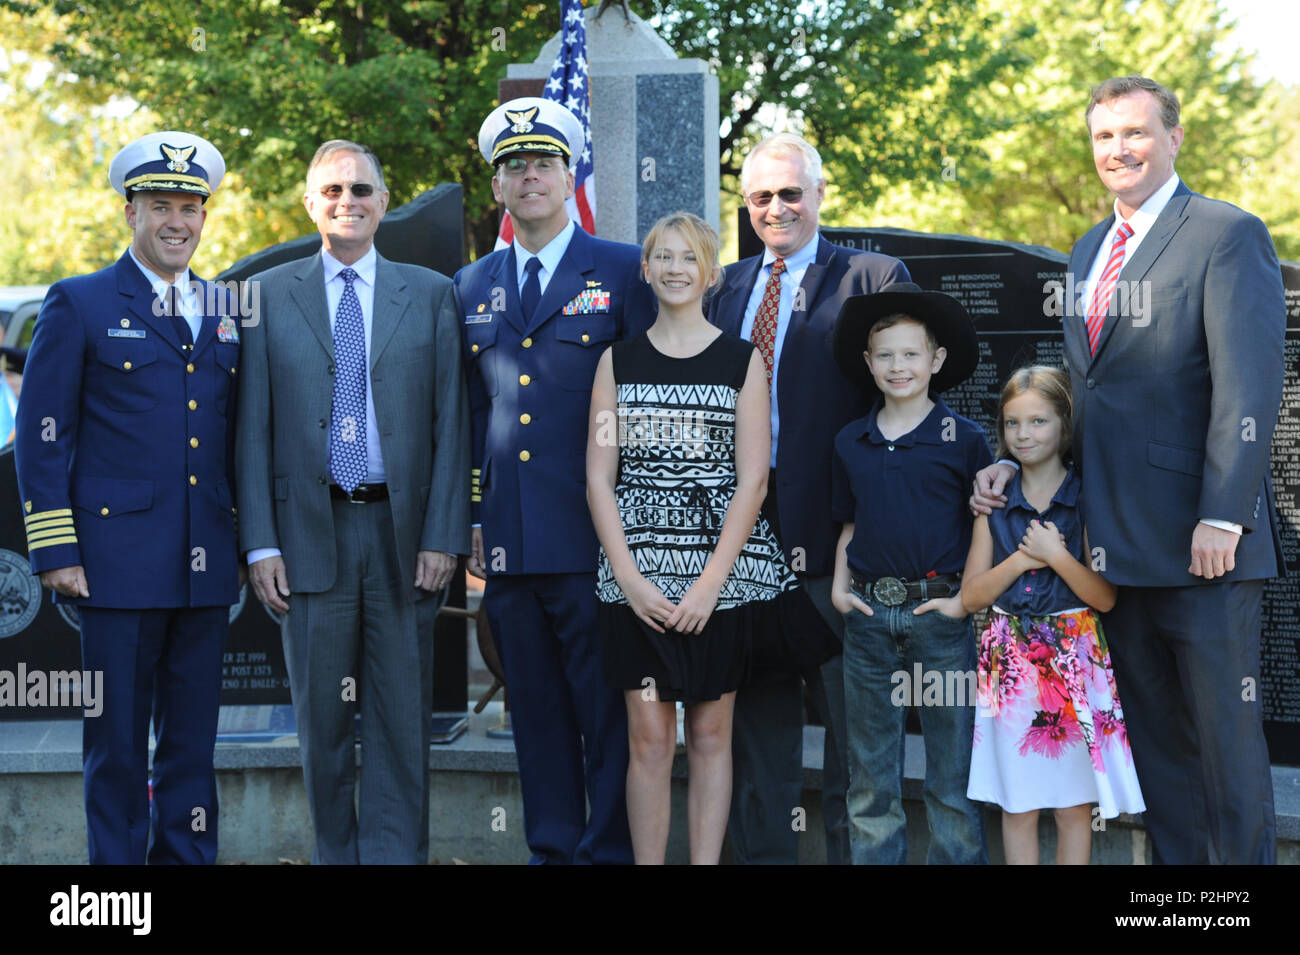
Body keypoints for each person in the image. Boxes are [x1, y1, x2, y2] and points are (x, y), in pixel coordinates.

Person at [972, 76, 1285, 864]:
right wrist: (1013, 462)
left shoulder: (1225, 233)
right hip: (1111, 549)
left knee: (1225, 747)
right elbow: (1090, 393)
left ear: (1174, 137)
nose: (1120, 150)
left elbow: (1248, 383)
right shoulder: (1088, 249)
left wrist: (1225, 513)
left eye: (1136, 133)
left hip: (1199, 545)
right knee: (1155, 747)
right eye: (1105, 137)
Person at [236, 139, 470, 864]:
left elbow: (452, 425)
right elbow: (250, 429)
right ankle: (337, 855)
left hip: (403, 540)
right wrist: (261, 542)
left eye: (361, 189)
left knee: (402, 719)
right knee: (324, 725)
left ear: (384, 201)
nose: (348, 201)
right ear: (310, 204)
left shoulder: (430, 294)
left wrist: (444, 535)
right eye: (333, 190)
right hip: (308, 537)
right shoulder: (269, 297)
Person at [15, 131, 237, 864]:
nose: (177, 221)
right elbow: (44, 436)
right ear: (130, 211)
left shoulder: (228, 306)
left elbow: (239, 431)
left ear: (204, 217)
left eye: (190, 207)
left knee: (193, 744)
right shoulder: (78, 301)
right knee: (114, 743)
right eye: (160, 205)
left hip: (204, 567)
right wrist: (55, 548)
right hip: (112, 567)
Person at [587, 212, 829, 864]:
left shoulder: (739, 360)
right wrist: (631, 579)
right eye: (662, 257)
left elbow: (752, 481)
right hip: (636, 579)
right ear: (646, 268)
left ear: (709, 272)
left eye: (688, 258)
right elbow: (598, 478)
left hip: (718, 582)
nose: (674, 268)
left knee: (712, 731)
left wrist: (710, 584)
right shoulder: (619, 361)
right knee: (648, 737)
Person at [454, 97, 654, 864]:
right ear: (497, 187)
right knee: (534, 717)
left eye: (543, 162)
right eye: (513, 165)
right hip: (507, 541)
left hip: (595, 541)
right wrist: (471, 514)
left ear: (570, 176)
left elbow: (640, 399)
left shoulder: (622, 269)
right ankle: (552, 851)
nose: (529, 175)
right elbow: (474, 413)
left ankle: (605, 854)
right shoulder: (470, 285)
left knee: (604, 715)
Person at [707, 132, 911, 864]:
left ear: (820, 195)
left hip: (837, 552)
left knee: (857, 747)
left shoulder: (872, 277)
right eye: (761, 196)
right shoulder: (722, 289)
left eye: (791, 192)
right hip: (743, 554)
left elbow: (902, 410)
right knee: (760, 740)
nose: (777, 207)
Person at [828, 283, 989, 865]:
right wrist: (839, 590)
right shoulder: (852, 440)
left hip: (940, 618)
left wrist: (964, 603)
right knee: (871, 779)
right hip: (869, 620)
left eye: (911, 354)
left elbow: (983, 529)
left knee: (952, 777)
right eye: (886, 356)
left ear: (936, 361)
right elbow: (848, 523)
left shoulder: (965, 440)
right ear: (869, 364)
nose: (899, 366)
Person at [961, 365, 1145, 864]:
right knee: (1017, 806)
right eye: (1012, 423)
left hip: (1074, 659)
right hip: (1011, 664)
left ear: (1065, 424)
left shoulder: (1087, 498)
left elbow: (1104, 597)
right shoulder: (993, 502)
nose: (1023, 435)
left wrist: (1057, 555)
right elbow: (972, 597)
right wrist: (1023, 558)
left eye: (1038, 421)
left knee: (1072, 806)